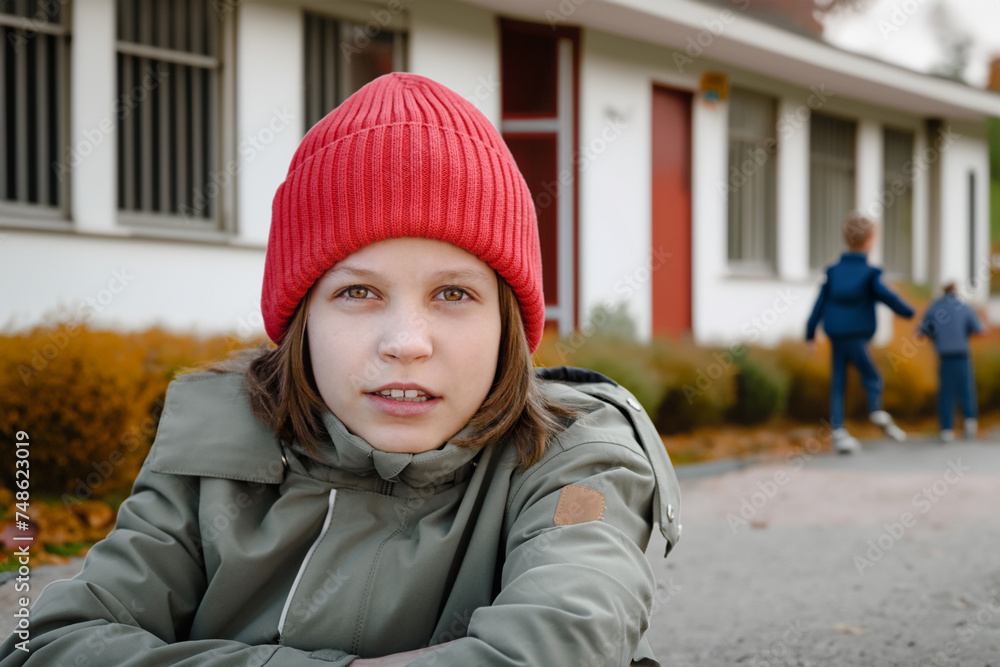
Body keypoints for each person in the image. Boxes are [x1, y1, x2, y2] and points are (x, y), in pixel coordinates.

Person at [0, 73, 681, 666]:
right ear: (303, 319)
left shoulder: (574, 463)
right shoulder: (212, 450)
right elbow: (57, 643)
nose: (406, 342)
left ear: (508, 324)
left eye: (453, 293)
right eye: (358, 292)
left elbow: (564, 641)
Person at [805, 212, 915, 454]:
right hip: (856, 334)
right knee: (872, 377)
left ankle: (839, 431)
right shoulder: (870, 273)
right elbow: (887, 296)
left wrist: (810, 334)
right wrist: (908, 312)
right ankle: (875, 411)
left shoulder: (833, 272)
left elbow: (819, 303)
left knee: (839, 382)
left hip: (835, 334)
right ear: (870, 241)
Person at [916, 281, 985, 441]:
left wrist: (935, 337)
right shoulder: (964, 307)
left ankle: (946, 430)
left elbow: (922, 331)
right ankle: (970, 424)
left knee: (946, 393)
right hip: (962, 354)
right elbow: (978, 329)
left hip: (944, 355)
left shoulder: (934, 308)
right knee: (966, 389)